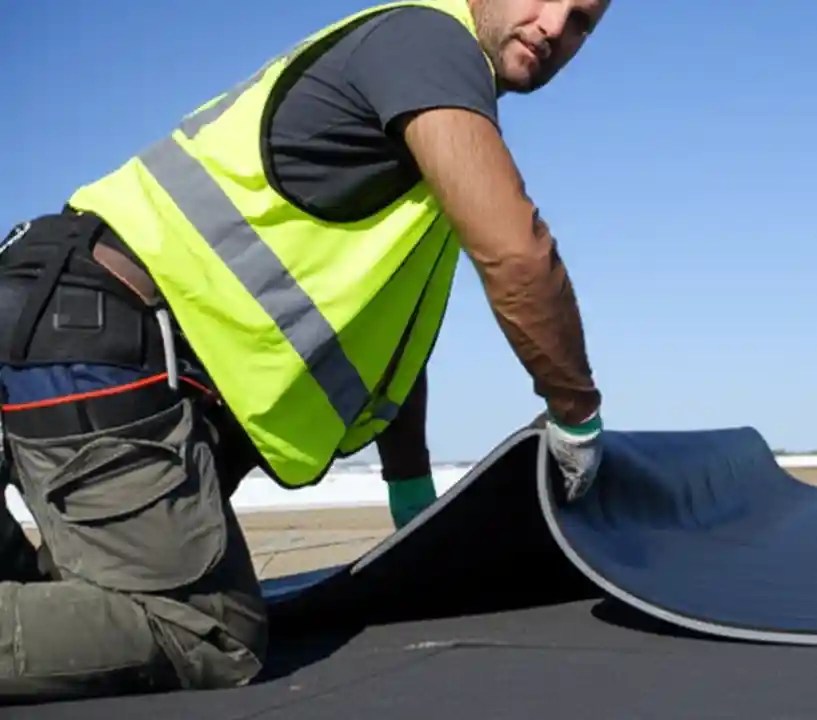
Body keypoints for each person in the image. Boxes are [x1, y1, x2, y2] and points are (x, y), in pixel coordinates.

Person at [0, 0, 611, 702]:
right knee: (204, 632)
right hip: (94, 341)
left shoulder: (419, 97)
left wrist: (411, 494)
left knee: (48, 593)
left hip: (52, 315)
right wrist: (576, 416)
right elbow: (518, 254)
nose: (554, 25)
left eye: (582, 21)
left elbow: (388, 349)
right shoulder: (431, 44)